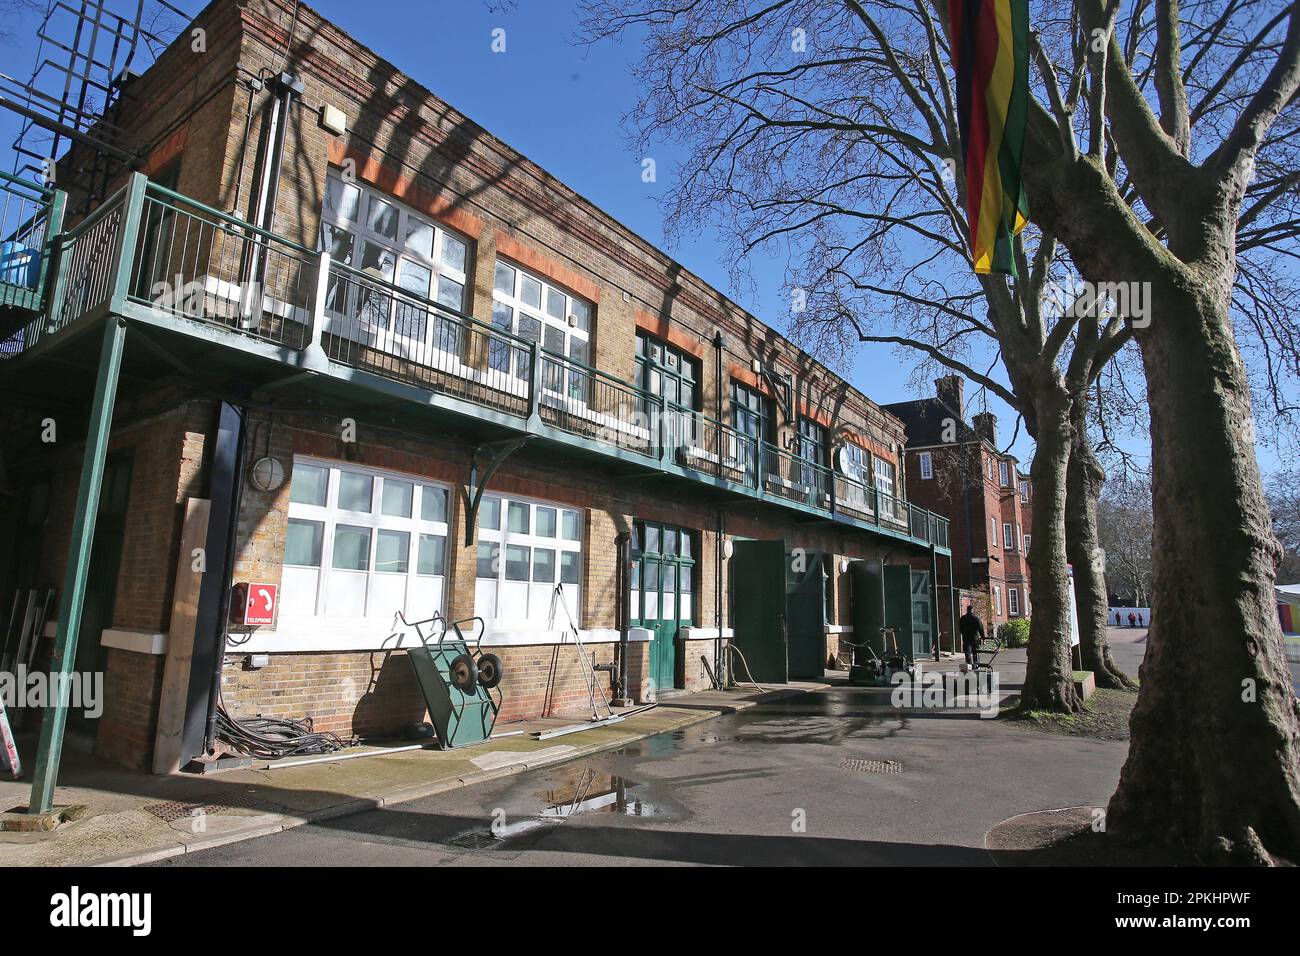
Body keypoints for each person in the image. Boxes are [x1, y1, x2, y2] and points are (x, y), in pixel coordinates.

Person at [959, 605, 986, 670]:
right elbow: (980, 628)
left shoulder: (963, 618)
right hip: (974, 637)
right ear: (972, 610)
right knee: (975, 651)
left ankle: (968, 664)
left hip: (966, 637)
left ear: (967, 610)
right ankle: (975, 664)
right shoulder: (976, 618)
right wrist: (983, 637)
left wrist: (963, 633)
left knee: (967, 651)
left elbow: (960, 627)